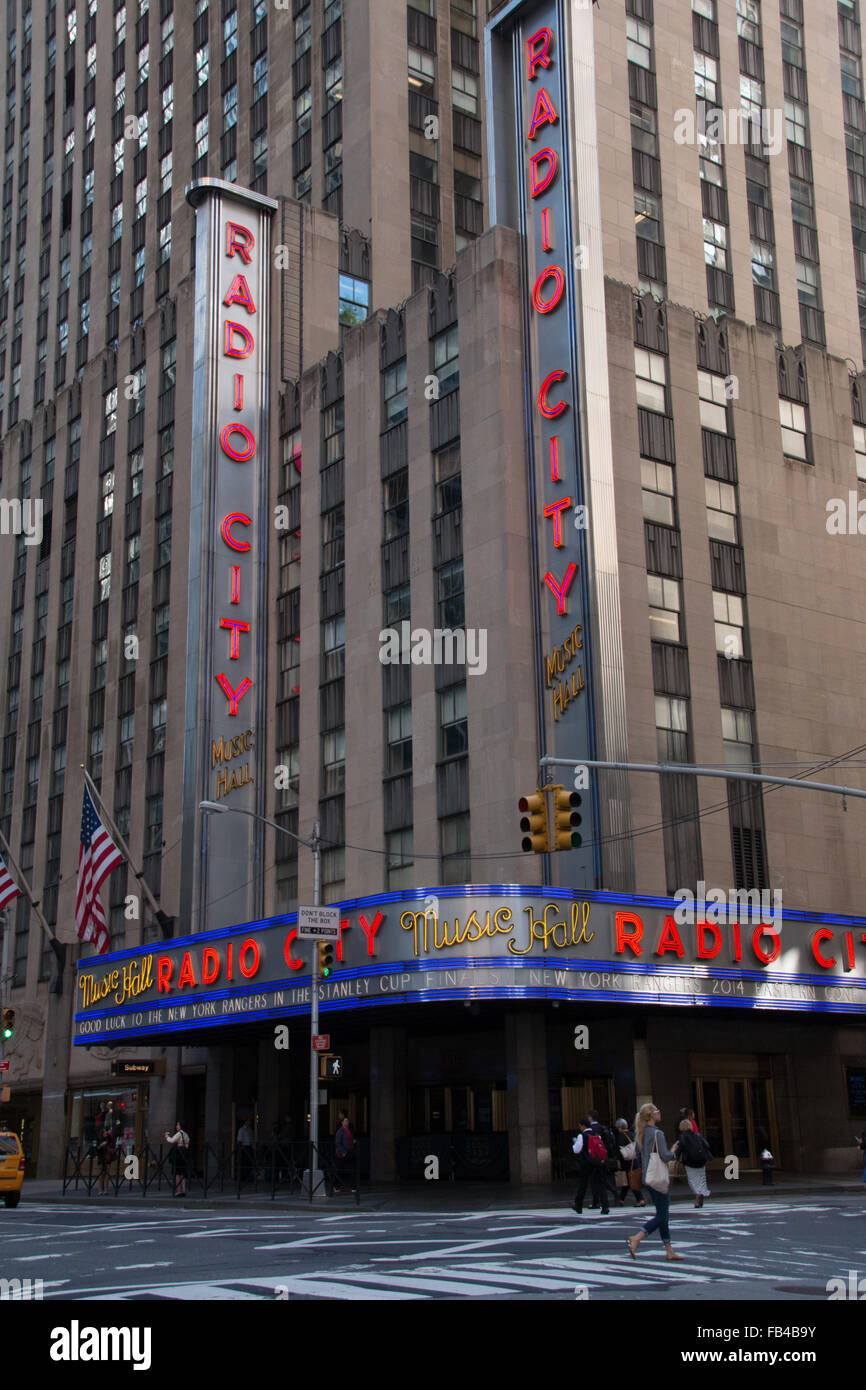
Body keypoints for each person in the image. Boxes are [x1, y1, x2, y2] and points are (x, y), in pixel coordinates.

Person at [627, 1102, 683, 1262]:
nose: (660, 1112)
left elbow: (638, 1154)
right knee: (662, 1215)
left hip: (647, 1176)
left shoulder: (642, 1133)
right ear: (651, 1115)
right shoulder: (658, 1133)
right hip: (658, 1177)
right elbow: (664, 1156)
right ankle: (637, 1237)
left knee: (662, 1214)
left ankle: (669, 1250)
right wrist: (673, 1151)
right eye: (657, 1110)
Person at [572, 1115, 610, 1216]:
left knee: (583, 1184)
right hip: (597, 1162)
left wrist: (574, 1143)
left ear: (583, 1126)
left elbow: (577, 1150)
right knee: (600, 1184)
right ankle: (605, 1206)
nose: (580, 1128)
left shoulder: (582, 1136)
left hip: (586, 1163)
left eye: (580, 1126)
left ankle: (578, 1205)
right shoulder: (597, 1135)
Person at [677, 1116, 712, 1207]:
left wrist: (677, 1160)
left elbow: (679, 1150)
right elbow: (707, 1145)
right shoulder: (698, 1135)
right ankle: (700, 1194)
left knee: (692, 1180)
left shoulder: (682, 1137)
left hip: (689, 1161)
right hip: (701, 1160)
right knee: (701, 1179)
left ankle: (697, 1195)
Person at [613, 1117, 646, 1207]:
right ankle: (621, 1199)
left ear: (619, 1127)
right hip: (634, 1160)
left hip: (626, 1161)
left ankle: (640, 1199)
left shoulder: (621, 1136)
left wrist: (618, 1161)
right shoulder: (632, 1134)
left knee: (631, 1180)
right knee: (628, 1180)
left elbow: (619, 1150)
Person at [164, 1120, 190, 1197]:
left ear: (181, 1126)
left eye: (178, 1125)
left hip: (179, 1153)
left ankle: (179, 1190)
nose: (177, 1126)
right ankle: (183, 1190)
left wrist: (167, 1136)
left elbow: (172, 1140)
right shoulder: (186, 1134)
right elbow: (187, 1145)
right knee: (182, 1173)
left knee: (177, 1173)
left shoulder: (179, 1133)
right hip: (184, 1153)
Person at [334, 1115, 356, 1193]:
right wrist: (343, 1152)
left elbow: (349, 1139)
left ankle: (353, 1187)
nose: (347, 1122)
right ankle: (336, 1186)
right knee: (339, 1170)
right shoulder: (340, 1131)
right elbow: (338, 1142)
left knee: (352, 1169)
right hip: (341, 1154)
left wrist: (353, 1141)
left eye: (347, 1121)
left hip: (349, 1152)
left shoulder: (349, 1130)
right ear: (342, 1122)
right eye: (345, 1121)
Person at [96, 1125, 116, 1196]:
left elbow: (113, 1149)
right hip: (101, 1156)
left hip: (108, 1157)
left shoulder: (110, 1139)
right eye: (105, 1132)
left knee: (107, 1173)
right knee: (101, 1174)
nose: (106, 1134)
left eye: (107, 1132)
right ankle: (100, 1190)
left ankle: (106, 1190)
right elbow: (96, 1149)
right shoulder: (99, 1139)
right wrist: (101, 1145)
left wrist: (109, 1149)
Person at [237, 1117, 254, 1183]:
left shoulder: (250, 1130)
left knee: (249, 1163)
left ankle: (248, 1177)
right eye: (249, 1121)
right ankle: (243, 1178)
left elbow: (252, 1139)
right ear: (246, 1122)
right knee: (244, 1163)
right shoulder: (241, 1130)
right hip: (244, 1148)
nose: (250, 1123)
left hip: (249, 1147)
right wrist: (242, 1149)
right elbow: (239, 1140)